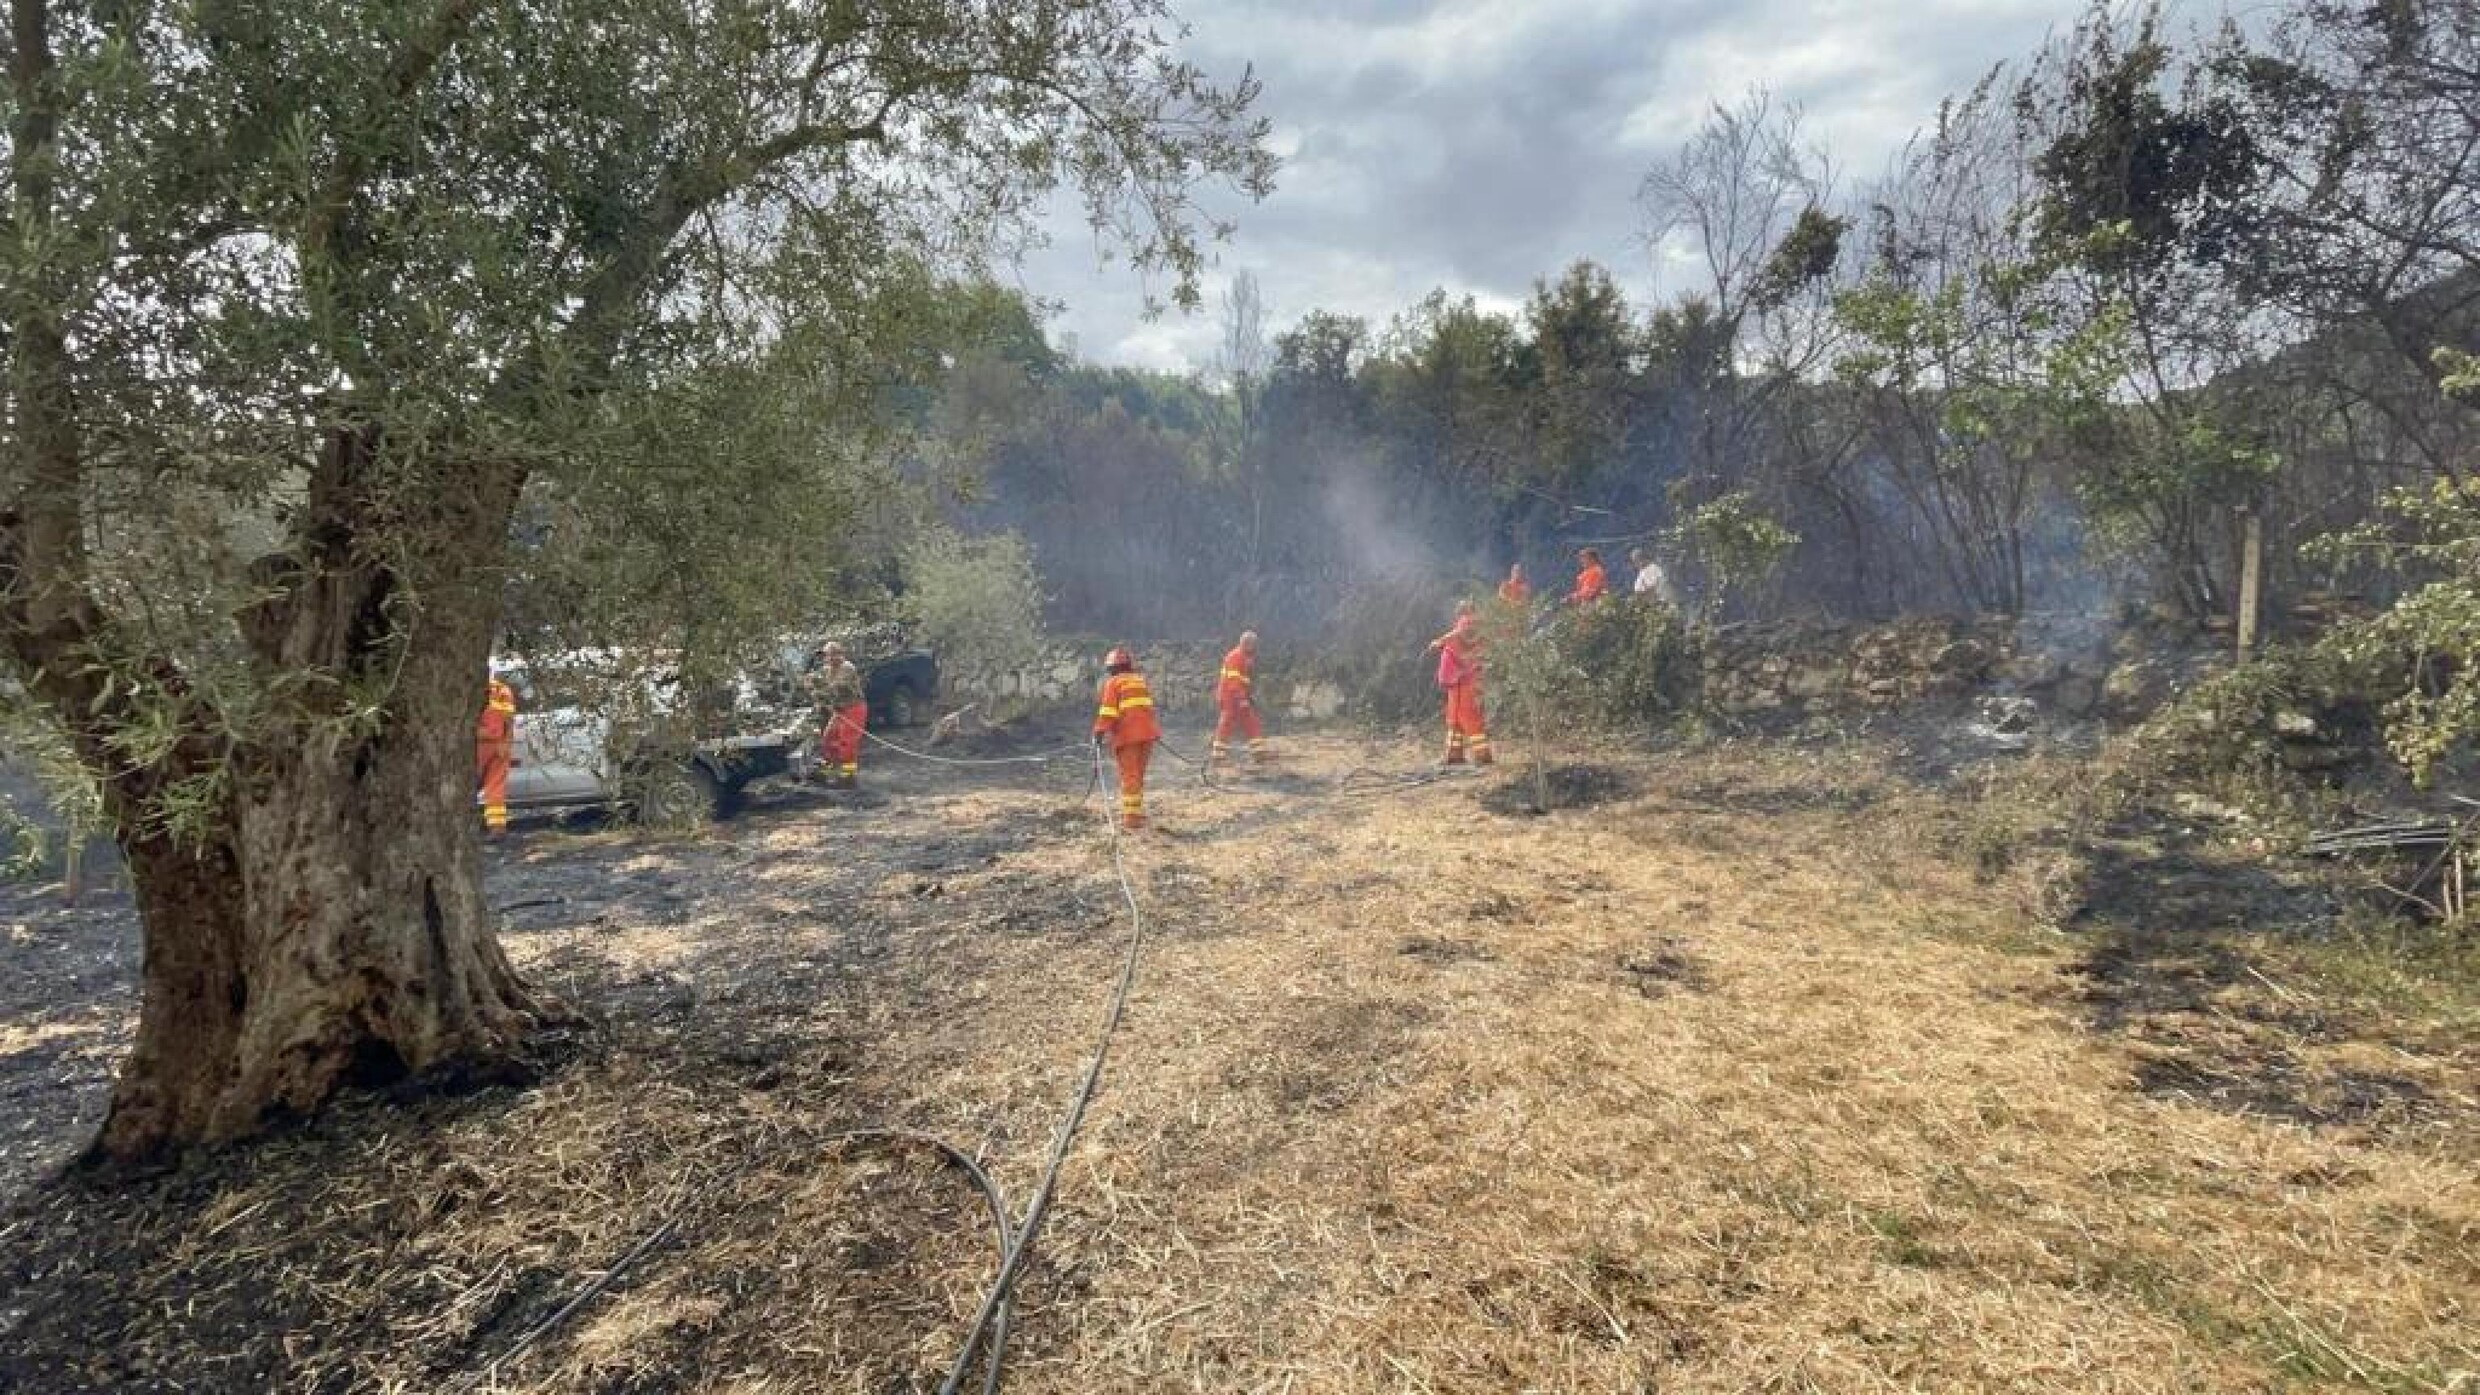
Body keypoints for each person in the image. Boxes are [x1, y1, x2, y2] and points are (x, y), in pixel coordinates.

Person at [1093, 647, 1161, 829]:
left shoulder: (1114, 683)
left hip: (1128, 736)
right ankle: (1136, 813)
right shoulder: (1139, 680)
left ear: (1112, 668)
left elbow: (1108, 712)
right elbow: (1146, 708)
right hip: (1147, 735)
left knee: (1129, 776)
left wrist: (1099, 732)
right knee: (1138, 775)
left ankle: (1131, 819)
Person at [1424, 602, 1493, 766]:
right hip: (1461, 681)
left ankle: (1482, 756)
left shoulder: (1468, 624)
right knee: (1454, 718)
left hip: (1465, 680)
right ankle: (1454, 755)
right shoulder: (1479, 626)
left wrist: (1438, 642)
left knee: (1468, 717)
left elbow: (1457, 635)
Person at [810, 641, 867, 788]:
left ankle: (848, 777)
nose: (827, 659)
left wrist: (820, 686)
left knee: (847, 743)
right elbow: (817, 685)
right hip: (839, 710)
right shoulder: (827, 670)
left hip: (854, 708)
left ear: (838, 655)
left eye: (829, 655)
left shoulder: (847, 668)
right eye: (825, 656)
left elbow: (838, 687)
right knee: (828, 738)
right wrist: (812, 683)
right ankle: (825, 772)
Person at [1212, 629, 1266, 768]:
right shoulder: (1235, 657)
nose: (1255, 648)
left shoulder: (1243, 657)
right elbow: (1234, 681)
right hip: (1230, 696)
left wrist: (1246, 695)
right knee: (1227, 722)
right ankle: (1218, 756)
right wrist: (1242, 698)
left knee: (1250, 721)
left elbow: (1242, 680)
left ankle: (1258, 752)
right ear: (1247, 643)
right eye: (1253, 644)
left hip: (1235, 695)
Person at [477, 669, 517, 835]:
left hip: (478, 743)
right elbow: (509, 720)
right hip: (499, 745)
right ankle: (497, 827)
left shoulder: (469, 689)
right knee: (496, 787)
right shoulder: (503, 690)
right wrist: (506, 743)